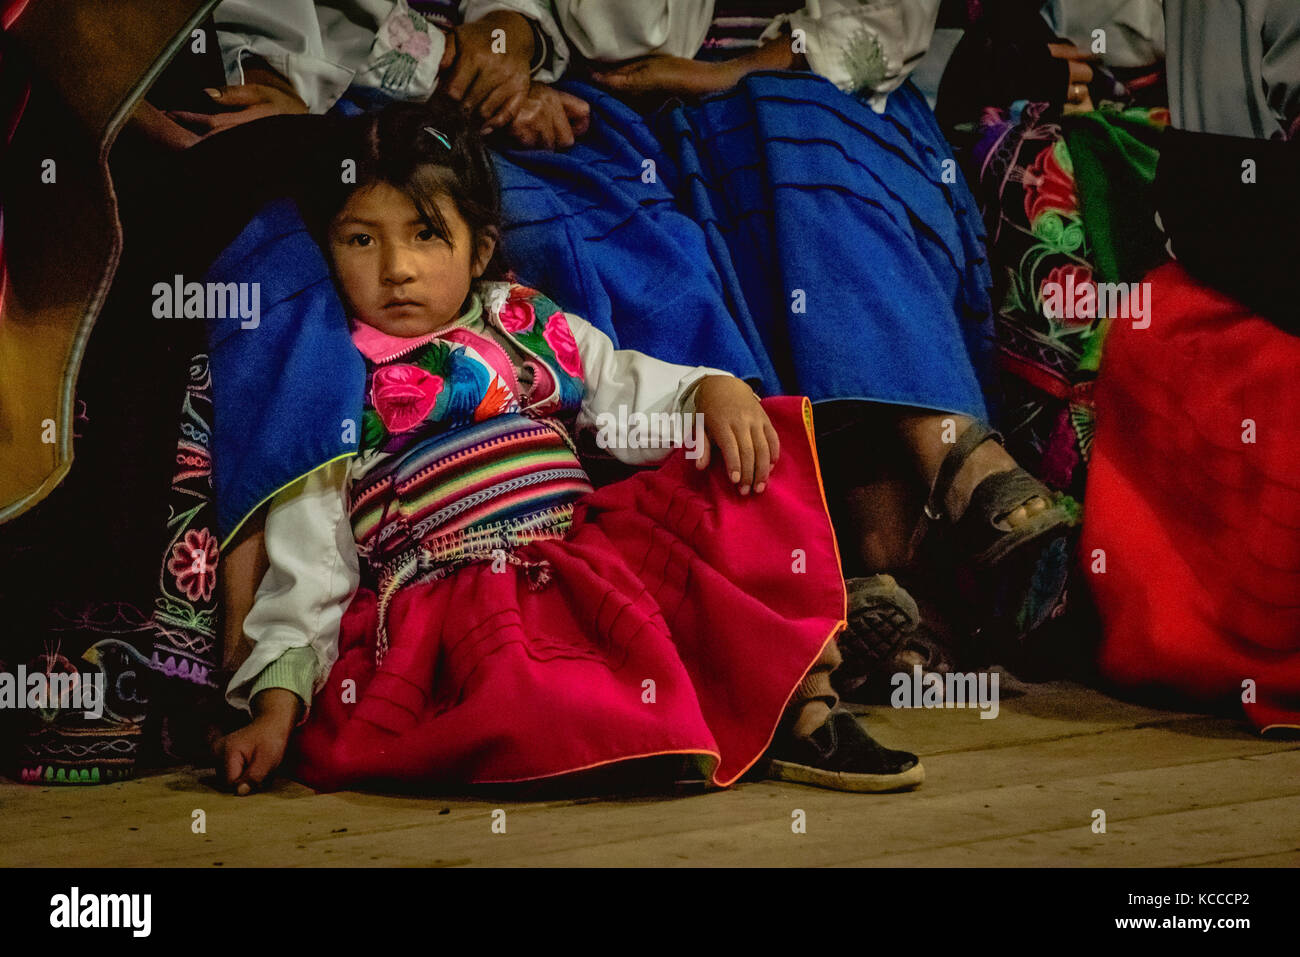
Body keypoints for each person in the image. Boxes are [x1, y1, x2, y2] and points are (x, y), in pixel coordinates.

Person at [212, 96, 927, 795]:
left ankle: (805, 700)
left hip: (584, 561)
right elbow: (310, 564)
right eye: (361, 238)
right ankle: (660, 730)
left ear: (480, 247)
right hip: (457, 602)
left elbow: (622, 392)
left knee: (745, 449)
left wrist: (710, 392)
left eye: (426, 233)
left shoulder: (527, 324)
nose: (396, 266)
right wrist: (277, 707)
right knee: (524, 694)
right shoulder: (334, 374)